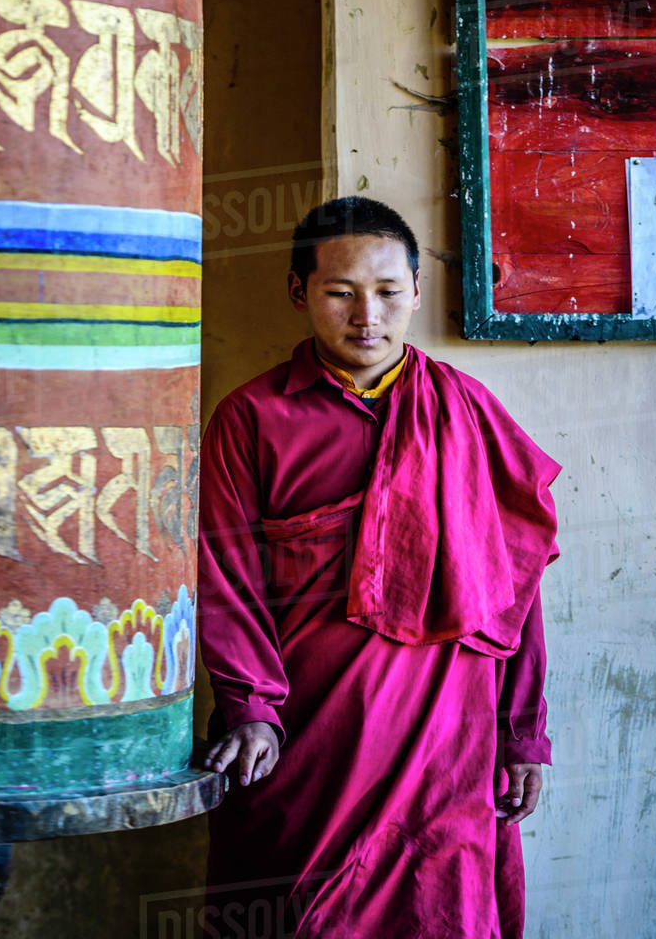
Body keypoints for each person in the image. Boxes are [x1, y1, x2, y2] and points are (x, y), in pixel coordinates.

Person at [198, 196, 560, 939]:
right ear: (299, 293)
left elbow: (514, 586)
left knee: (439, 913)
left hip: (447, 744)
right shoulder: (254, 418)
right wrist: (250, 708)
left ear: (417, 292)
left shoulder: (466, 411)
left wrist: (521, 732)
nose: (367, 315)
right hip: (310, 741)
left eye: (389, 292)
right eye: (340, 292)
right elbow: (223, 576)